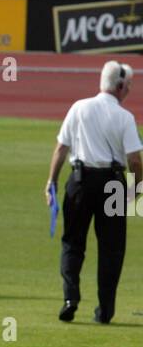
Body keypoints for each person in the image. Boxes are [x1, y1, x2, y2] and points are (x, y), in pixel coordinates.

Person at [46, 61, 142, 323]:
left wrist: (51, 183)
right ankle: (106, 310)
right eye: (129, 87)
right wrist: (137, 190)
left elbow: (61, 149)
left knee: (72, 243)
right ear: (120, 85)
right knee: (111, 248)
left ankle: (70, 298)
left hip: (79, 179)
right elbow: (135, 160)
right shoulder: (124, 117)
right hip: (112, 184)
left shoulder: (79, 107)